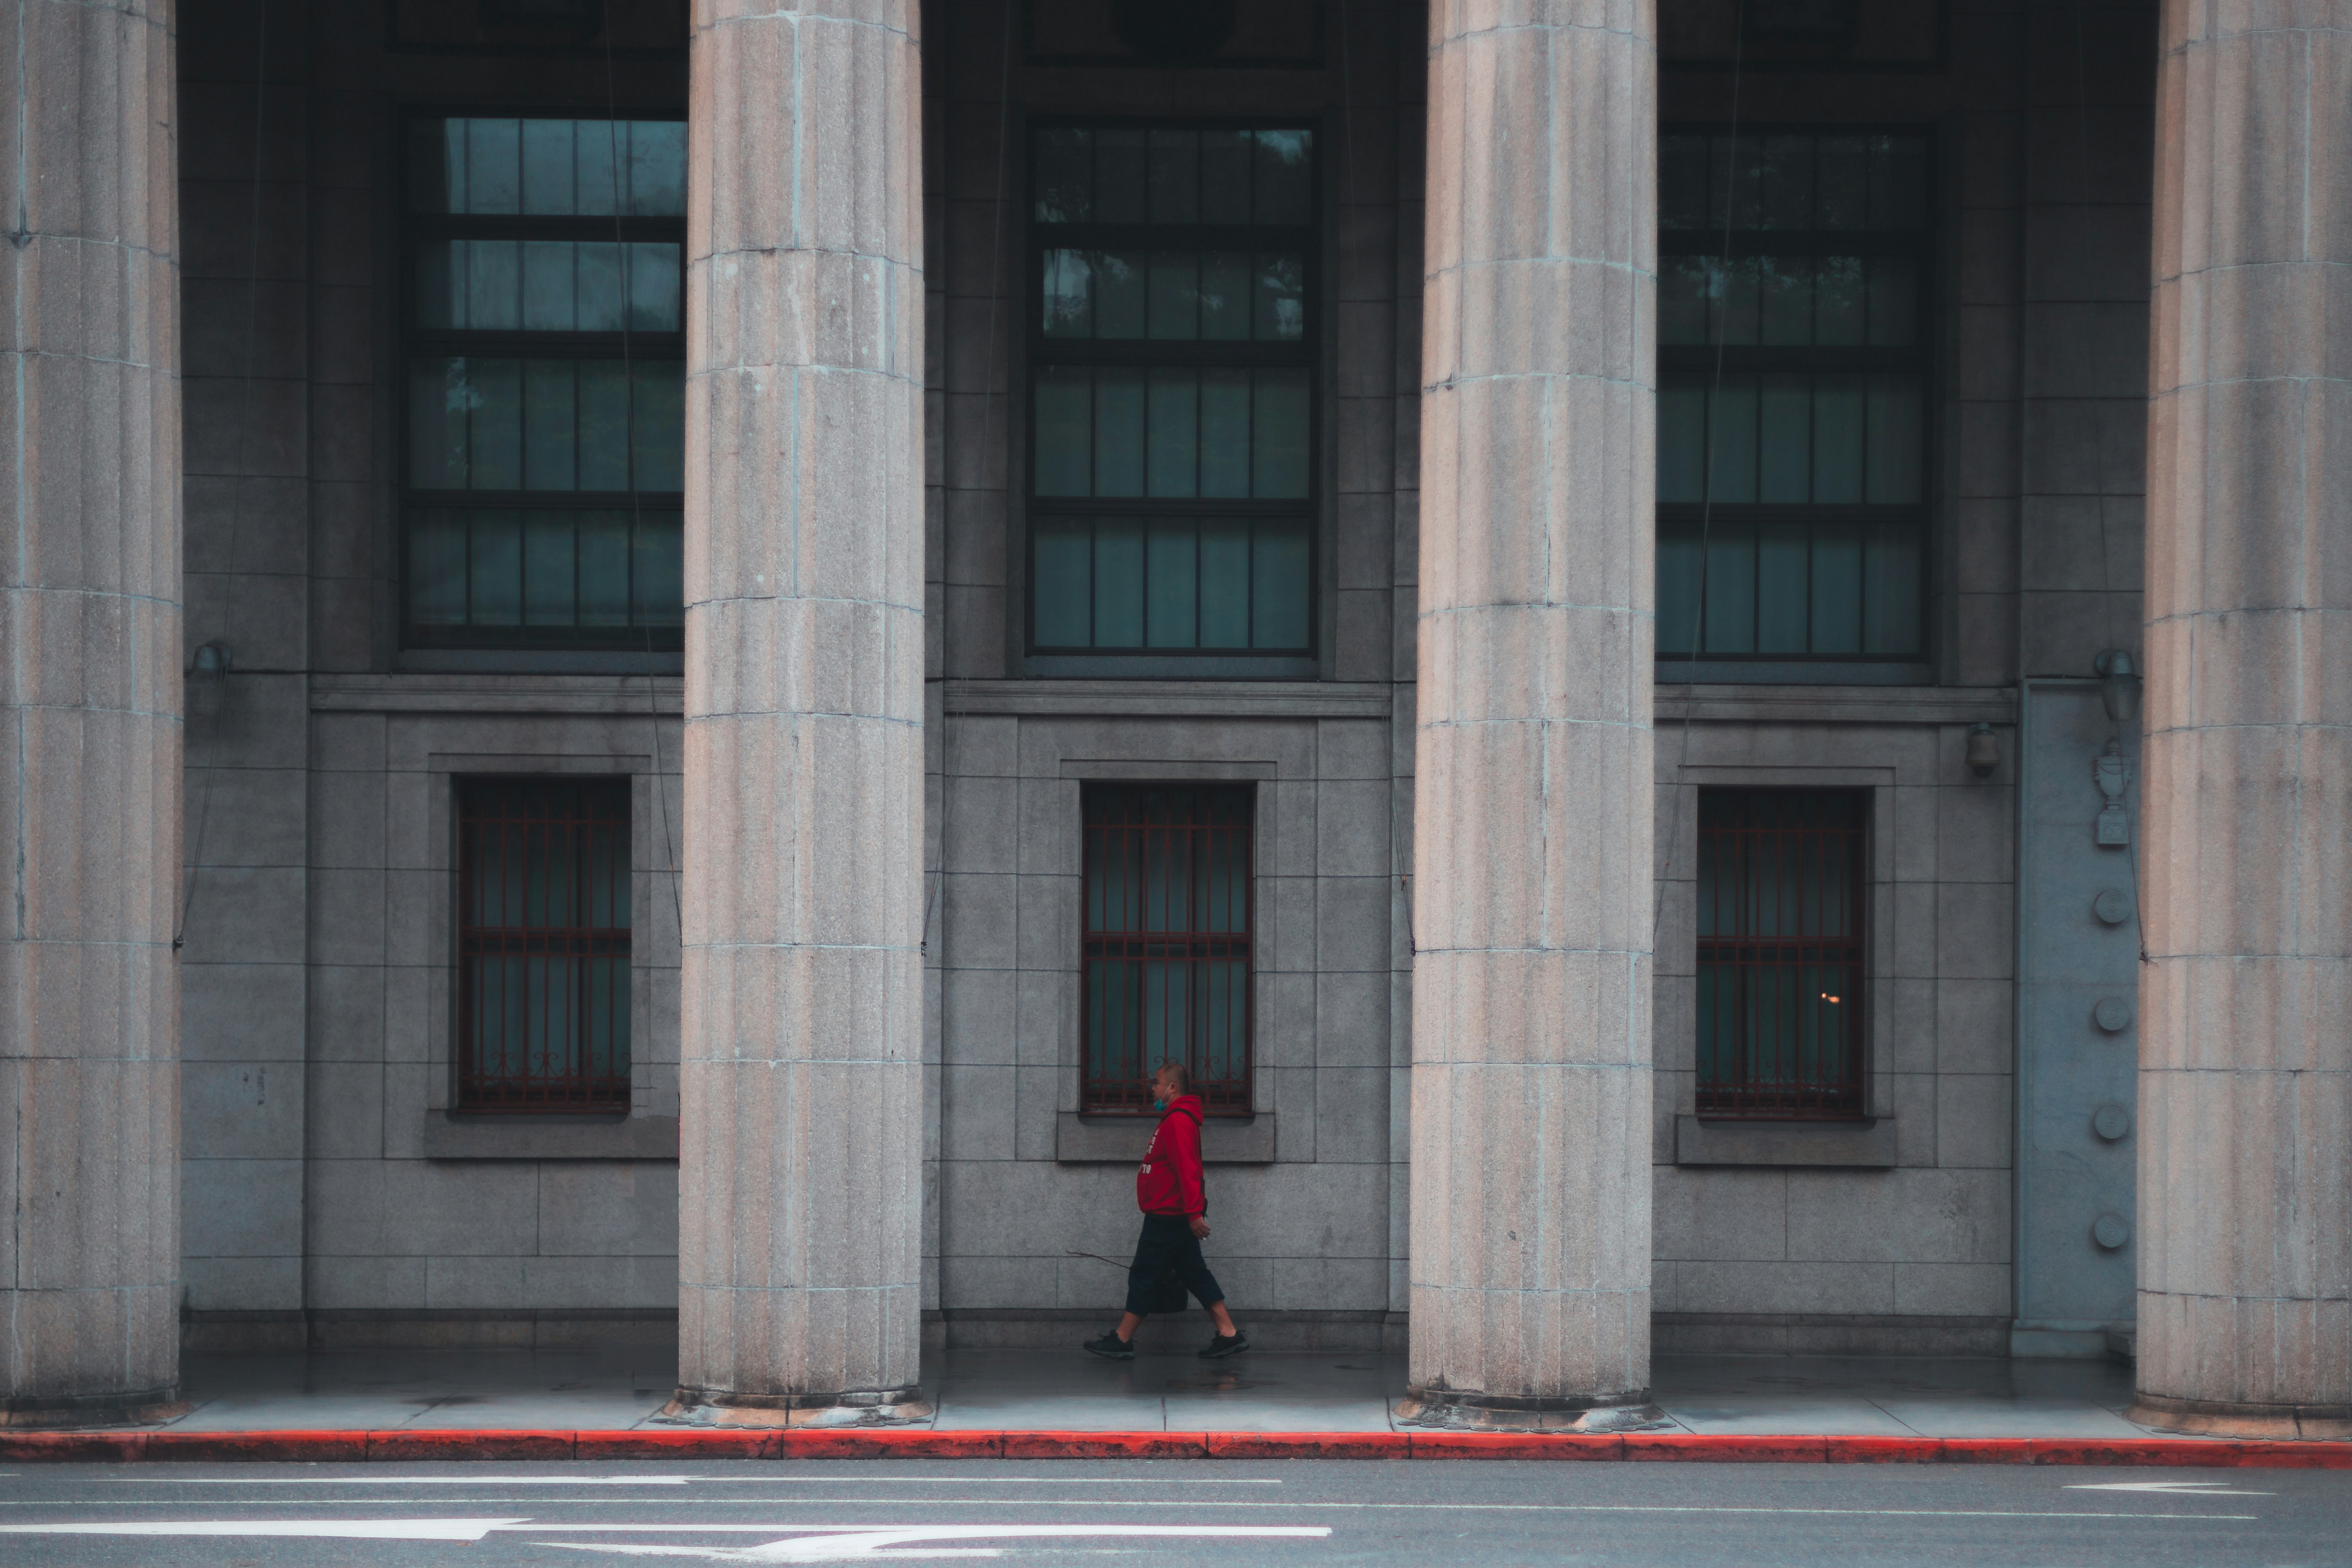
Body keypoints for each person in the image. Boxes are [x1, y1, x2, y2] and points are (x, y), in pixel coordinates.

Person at [1082, 1060, 1249, 1360]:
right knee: (1194, 1273)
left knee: (1144, 1274)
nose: (1153, 1088)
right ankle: (1229, 1333)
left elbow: (1188, 1170)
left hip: (1168, 1216)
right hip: (1171, 1214)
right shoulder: (1173, 1118)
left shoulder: (1178, 1121)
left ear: (1172, 1088)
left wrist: (1194, 1213)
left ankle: (1122, 1339)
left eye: (1157, 1083)